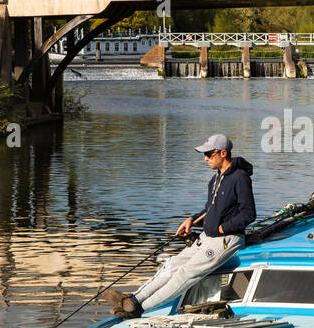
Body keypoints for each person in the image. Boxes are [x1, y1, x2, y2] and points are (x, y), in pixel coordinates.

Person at [104, 134, 255, 317]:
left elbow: (248, 213)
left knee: (185, 273)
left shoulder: (240, 178)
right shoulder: (214, 180)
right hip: (207, 237)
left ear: (223, 153)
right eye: (204, 155)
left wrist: (222, 228)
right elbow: (211, 210)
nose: (205, 158)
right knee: (171, 265)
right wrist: (192, 219)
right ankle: (133, 299)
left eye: (209, 154)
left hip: (227, 240)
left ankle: (140, 310)